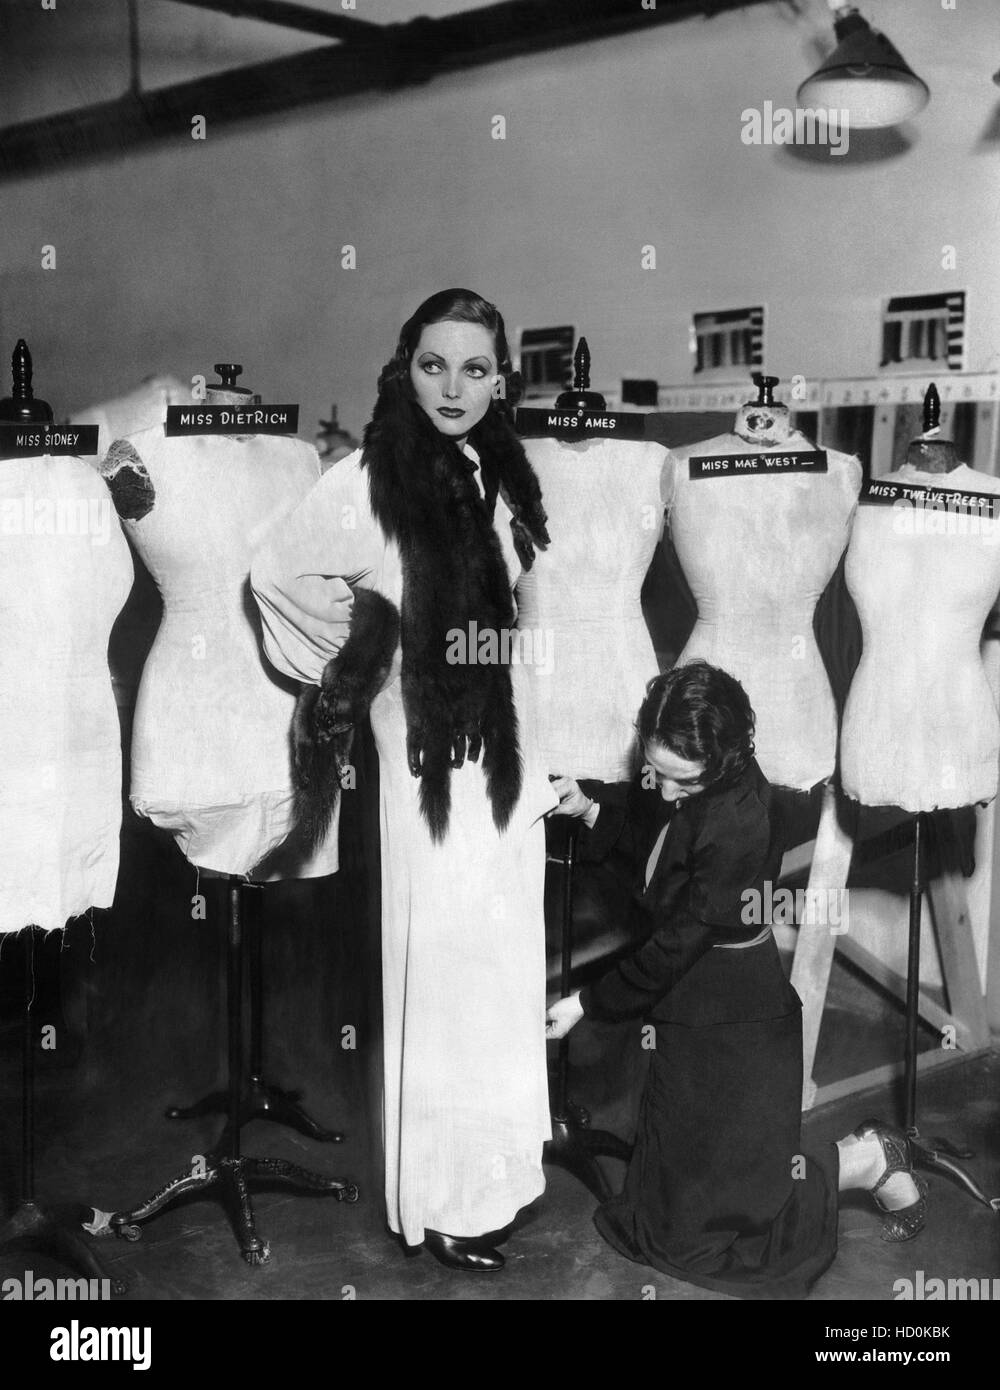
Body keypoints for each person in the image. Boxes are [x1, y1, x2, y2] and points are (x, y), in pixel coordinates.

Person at [251, 289, 557, 1273]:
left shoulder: (497, 472)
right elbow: (276, 574)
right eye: (434, 365)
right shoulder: (369, 476)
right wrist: (372, 657)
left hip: (501, 755)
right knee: (444, 974)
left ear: (500, 378)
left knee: (499, 970)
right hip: (427, 751)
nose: (453, 386)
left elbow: (519, 631)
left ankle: (493, 1183)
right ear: (404, 367)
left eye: (474, 368)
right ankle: (442, 1200)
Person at [545, 660, 926, 1298]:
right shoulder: (694, 781)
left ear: (719, 764)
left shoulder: (743, 821)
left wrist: (587, 1003)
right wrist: (589, 810)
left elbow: (674, 942)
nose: (661, 790)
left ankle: (867, 1158)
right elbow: (660, 846)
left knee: (739, 1233)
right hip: (685, 1010)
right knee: (662, 1228)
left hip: (736, 1021)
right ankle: (846, 1160)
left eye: (677, 780)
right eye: (654, 771)